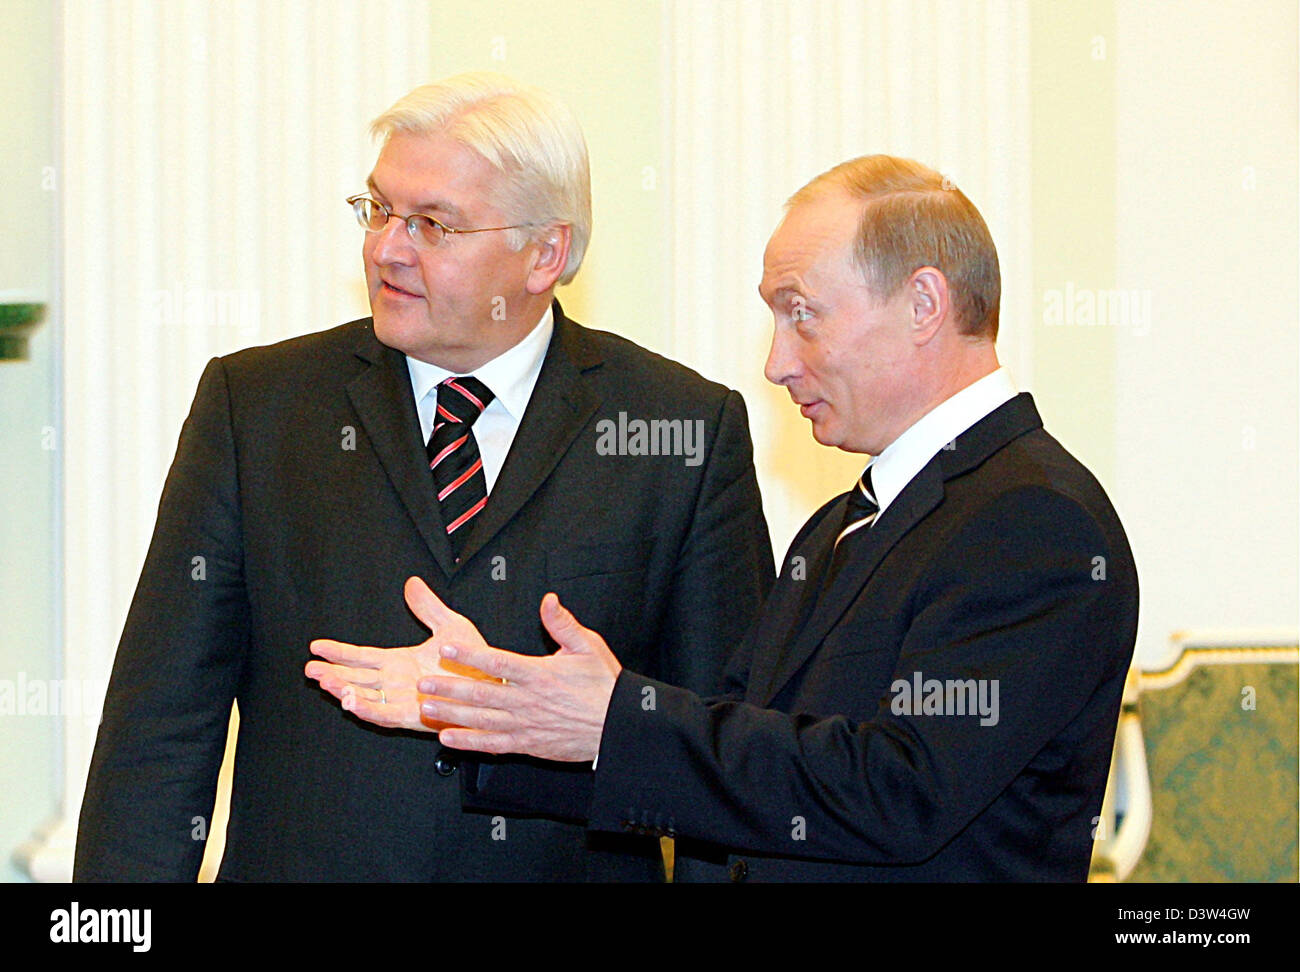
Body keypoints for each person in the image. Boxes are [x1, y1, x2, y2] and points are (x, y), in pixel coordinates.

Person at [314, 155, 1139, 882]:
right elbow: (735, 748)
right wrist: (498, 709)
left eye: (802, 312)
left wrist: (614, 719)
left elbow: (902, 787)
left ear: (924, 302)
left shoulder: (1032, 519)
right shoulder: (840, 525)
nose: (777, 363)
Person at [74, 73, 773, 882]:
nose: (385, 248)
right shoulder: (258, 408)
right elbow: (160, 730)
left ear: (544, 252)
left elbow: (724, 754)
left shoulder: (680, 429)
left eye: (434, 225)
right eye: (378, 211)